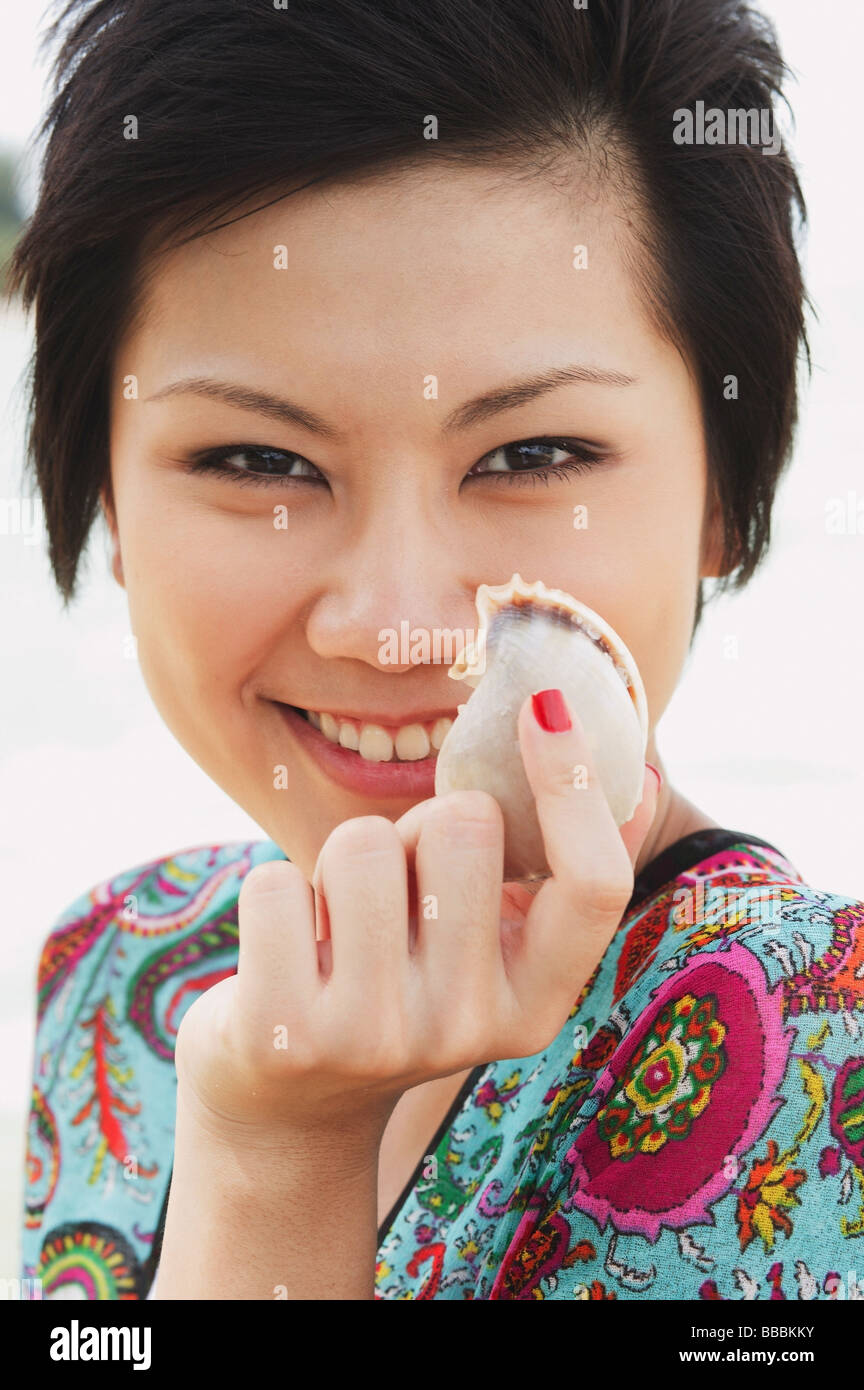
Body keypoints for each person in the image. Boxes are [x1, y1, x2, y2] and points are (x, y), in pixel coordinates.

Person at [15, 0, 864, 1300]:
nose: (393, 617)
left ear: (722, 502)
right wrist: (263, 1136)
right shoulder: (118, 974)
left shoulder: (830, 1068)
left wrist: (278, 1161)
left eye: (530, 456)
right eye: (259, 459)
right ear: (112, 503)